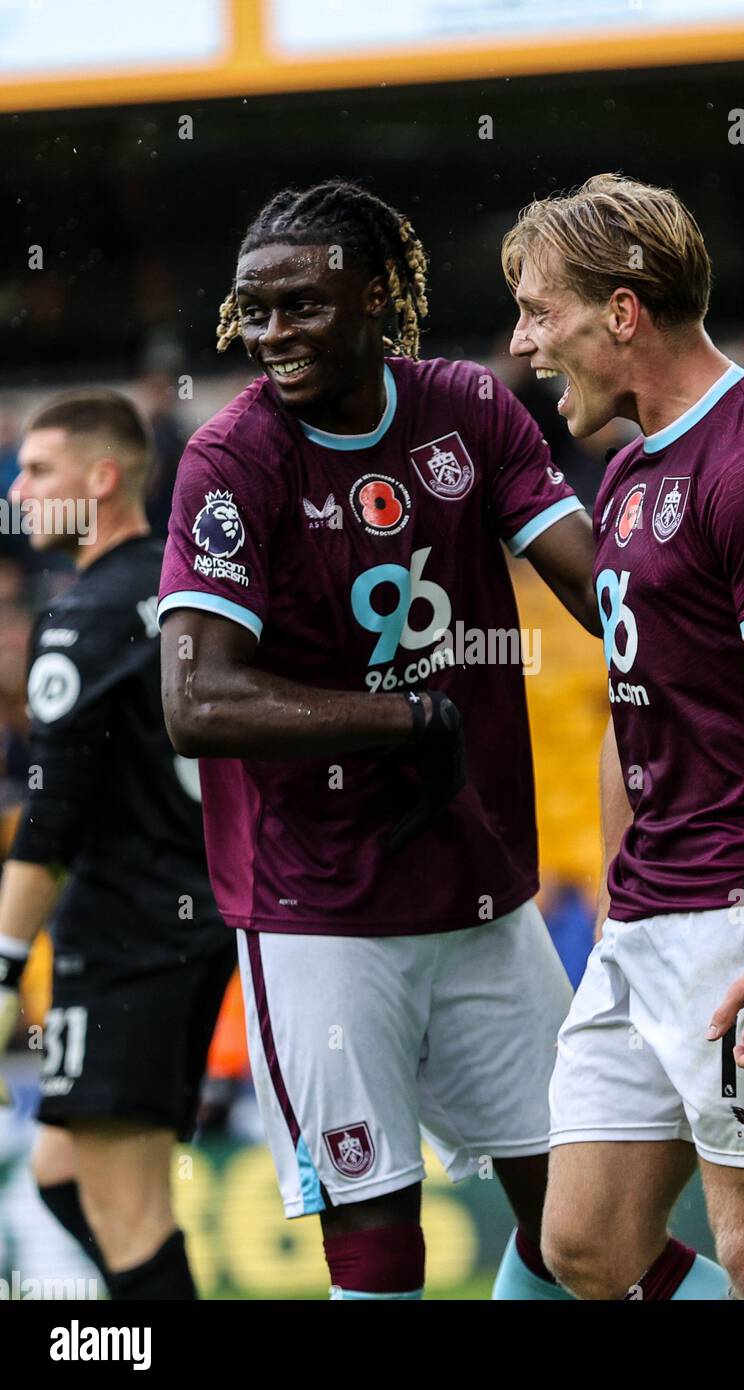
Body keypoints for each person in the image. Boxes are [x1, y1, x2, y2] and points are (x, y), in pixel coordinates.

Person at [158, 180, 600, 1301]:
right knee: (378, 1241)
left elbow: (600, 591)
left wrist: (729, 627)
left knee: (590, 1229)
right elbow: (197, 701)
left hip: (478, 883)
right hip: (320, 911)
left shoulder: (469, 410)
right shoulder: (233, 460)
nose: (273, 336)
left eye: (302, 306)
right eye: (255, 312)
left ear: (380, 296)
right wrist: (405, 717)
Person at [503, 173, 744, 1301]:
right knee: (581, 1242)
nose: (525, 342)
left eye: (540, 310)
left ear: (622, 312)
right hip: (654, 915)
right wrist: (625, 907)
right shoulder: (623, 475)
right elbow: (637, 715)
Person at [0, 390, 235, 1299]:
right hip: (183, 922)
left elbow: (50, 818)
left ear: (101, 480)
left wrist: (5, 961)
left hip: (130, 944)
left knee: (129, 1215)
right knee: (62, 1172)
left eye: (38, 470)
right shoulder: (180, 590)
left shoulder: (84, 615)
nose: (16, 489)